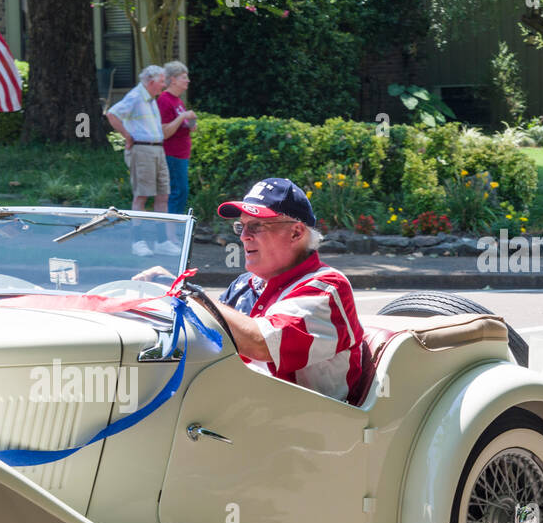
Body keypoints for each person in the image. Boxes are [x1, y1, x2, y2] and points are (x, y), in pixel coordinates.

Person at [200, 178, 365, 401]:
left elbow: (260, 344)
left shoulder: (326, 287)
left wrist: (191, 296)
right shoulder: (244, 284)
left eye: (256, 225)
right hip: (249, 415)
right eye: (241, 226)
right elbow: (208, 339)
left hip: (307, 427)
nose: (243, 236)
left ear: (296, 233)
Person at [105, 65, 178, 257]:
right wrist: (128, 137)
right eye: (162, 81)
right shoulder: (136, 96)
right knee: (142, 196)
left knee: (163, 195)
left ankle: (161, 242)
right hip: (142, 149)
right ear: (152, 82)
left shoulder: (151, 99)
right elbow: (112, 114)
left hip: (157, 149)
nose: (165, 84)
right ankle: (138, 242)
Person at [158, 61, 197, 216]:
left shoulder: (178, 101)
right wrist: (182, 117)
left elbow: (181, 125)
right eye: (183, 77)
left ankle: (173, 233)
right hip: (172, 154)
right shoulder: (164, 100)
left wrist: (191, 122)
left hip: (181, 154)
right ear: (173, 80)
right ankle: (170, 234)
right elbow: (164, 132)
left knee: (181, 192)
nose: (187, 81)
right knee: (177, 192)